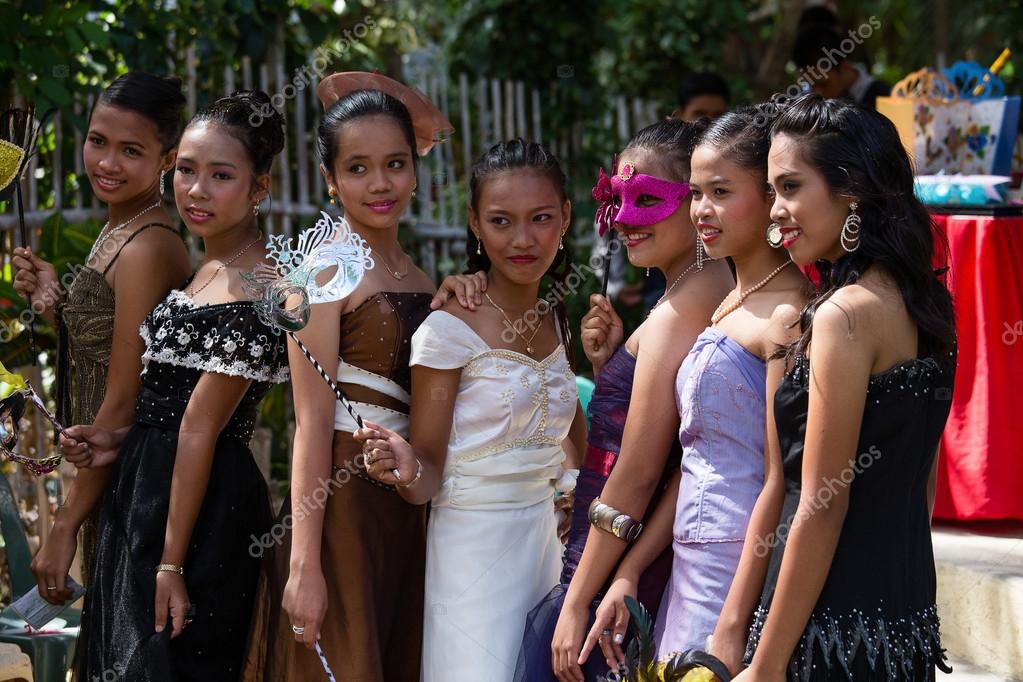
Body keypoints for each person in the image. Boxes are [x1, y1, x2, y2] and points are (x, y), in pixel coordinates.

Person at [242, 72, 468, 682]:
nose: (380, 183)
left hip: (405, 505)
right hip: (339, 503)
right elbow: (310, 425)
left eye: (395, 164)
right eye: (359, 168)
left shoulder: (423, 280)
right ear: (330, 180)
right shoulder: (322, 275)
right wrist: (304, 565)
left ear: (415, 172)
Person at [66, 90, 290, 681]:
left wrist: (169, 563)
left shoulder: (259, 287)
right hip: (143, 488)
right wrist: (117, 442)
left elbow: (198, 426)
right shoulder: (205, 267)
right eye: (187, 170)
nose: (195, 189)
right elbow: (167, 404)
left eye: (221, 175)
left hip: (204, 509)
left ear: (258, 188)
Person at [582, 105, 809, 671]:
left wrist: (733, 624)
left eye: (721, 192)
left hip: (736, 560)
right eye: (695, 193)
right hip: (687, 554)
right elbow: (693, 456)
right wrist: (633, 566)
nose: (703, 210)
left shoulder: (787, 314)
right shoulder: (729, 298)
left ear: (771, 196)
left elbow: (781, 480)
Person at [737, 94, 956, 681]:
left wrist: (765, 664)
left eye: (789, 187)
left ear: (850, 190)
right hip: (904, 622)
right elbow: (924, 480)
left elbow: (821, 503)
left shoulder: (843, 317)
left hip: (828, 628)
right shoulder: (930, 305)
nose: (775, 211)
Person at [355, 138, 587, 682]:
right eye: (502, 221)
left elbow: (571, 440)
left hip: (547, 548)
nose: (523, 239)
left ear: (566, 218)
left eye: (541, 218)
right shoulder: (447, 329)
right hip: (473, 552)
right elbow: (428, 473)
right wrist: (406, 468)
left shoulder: (557, 316)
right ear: (476, 225)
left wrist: (578, 494)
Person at [515, 119, 730, 682]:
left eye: (648, 198)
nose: (624, 219)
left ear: (697, 201)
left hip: (616, 556)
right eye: (617, 198)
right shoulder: (698, 291)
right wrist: (610, 368)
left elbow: (637, 473)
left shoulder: (684, 309)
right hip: (630, 550)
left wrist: (577, 601)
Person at [16, 72, 191, 600]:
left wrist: (66, 522)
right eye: (98, 142)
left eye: (130, 150)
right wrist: (54, 303)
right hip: (102, 476)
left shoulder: (147, 246)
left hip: (123, 479)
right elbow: (105, 345)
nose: (107, 163)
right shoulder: (119, 227)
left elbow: (122, 397)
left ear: (167, 158)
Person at [793, 27, 890, 110]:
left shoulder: (886, 99)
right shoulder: (805, 101)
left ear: (845, 66)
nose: (816, 93)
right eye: (810, 85)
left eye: (823, 84)